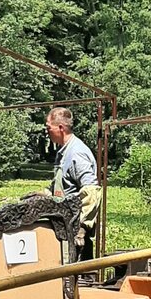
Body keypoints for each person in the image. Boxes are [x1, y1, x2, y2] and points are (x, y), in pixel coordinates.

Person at [45, 107, 102, 260]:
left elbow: (92, 191)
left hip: (75, 236)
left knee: (76, 279)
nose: (47, 132)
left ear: (61, 128)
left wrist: (82, 230)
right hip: (63, 228)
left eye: (48, 127)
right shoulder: (64, 151)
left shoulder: (77, 152)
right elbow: (62, 187)